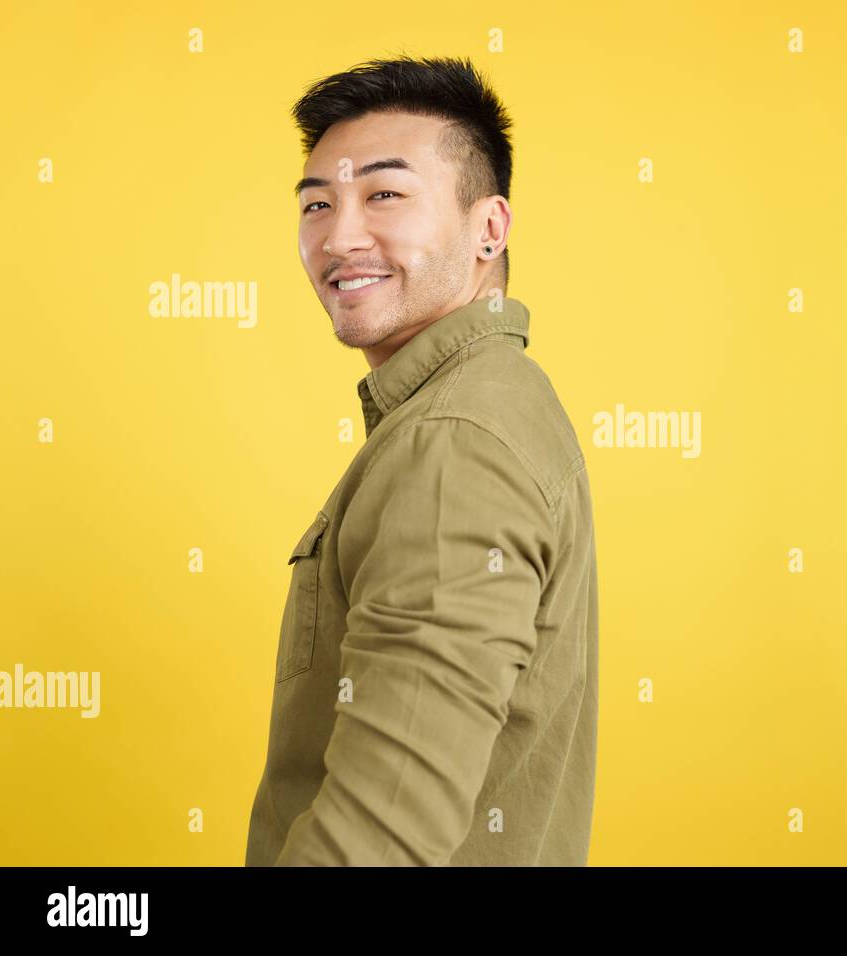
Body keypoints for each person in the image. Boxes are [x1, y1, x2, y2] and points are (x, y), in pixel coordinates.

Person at [245, 55, 598, 866]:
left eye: (385, 195)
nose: (338, 236)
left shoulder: (455, 440)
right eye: (318, 204)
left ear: (490, 229)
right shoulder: (484, 404)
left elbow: (384, 833)